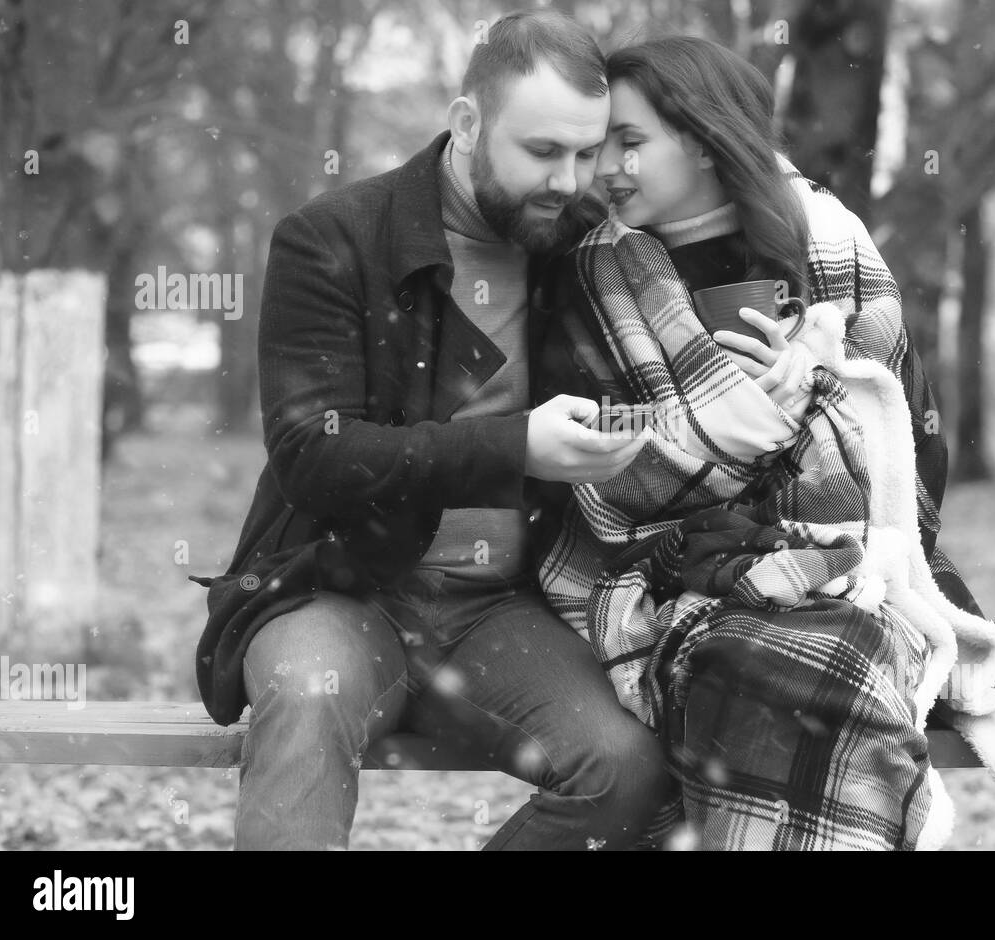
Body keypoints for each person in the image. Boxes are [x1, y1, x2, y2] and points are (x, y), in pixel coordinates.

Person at [533, 37, 995, 850]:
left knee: (839, 645)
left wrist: (814, 389)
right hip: (668, 576)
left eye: (630, 140)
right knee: (756, 662)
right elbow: (591, 466)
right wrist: (724, 418)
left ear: (699, 135)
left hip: (851, 570)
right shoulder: (592, 276)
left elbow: (905, 443)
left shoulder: (828, 243)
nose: (608, 167)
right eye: (599, 147)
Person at [188, 9, 672, 851]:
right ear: (467, 123)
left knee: (622, 765)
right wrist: (516, 445)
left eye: (585, 152)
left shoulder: (587, 249)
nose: (568, 179)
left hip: (502, 610)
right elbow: (315, 457)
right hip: (338, 587)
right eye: (542, 151)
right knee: (306, 694)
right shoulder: (333, 239)